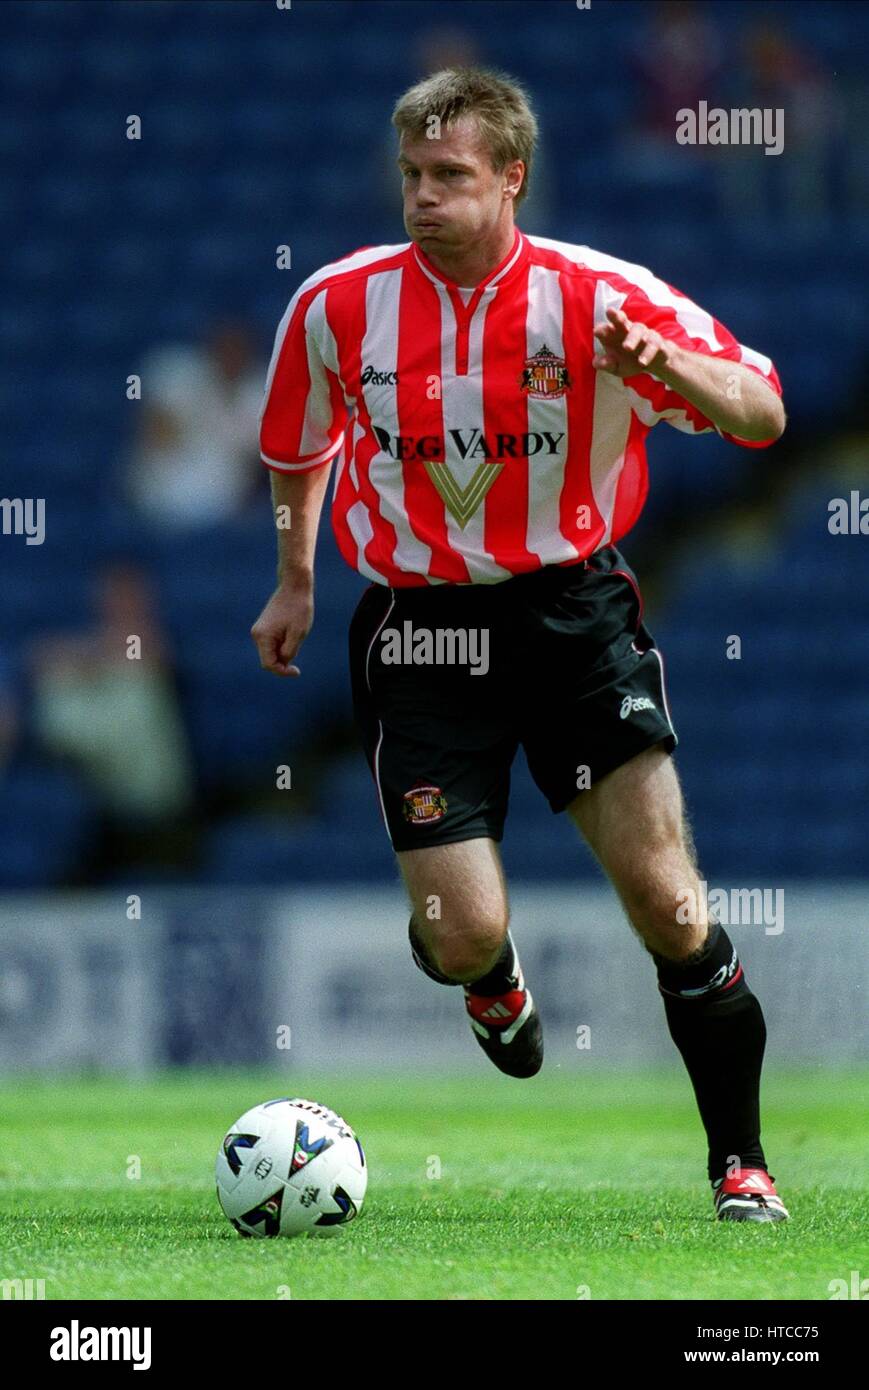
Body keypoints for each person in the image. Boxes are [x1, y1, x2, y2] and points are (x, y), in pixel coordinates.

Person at [251, 67, 788, 1224]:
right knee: (462, 929)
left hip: (569, 617)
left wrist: (663, 370)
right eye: (409, 176)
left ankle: (739, 1163)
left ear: (511, 179)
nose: (422, 199)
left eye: (449, 177)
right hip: (418, 625)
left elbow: (759, 412)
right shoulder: (336, 308)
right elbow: (296, 446)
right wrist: (294, 578)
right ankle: (484, 978)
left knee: (668, 904)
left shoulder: (599, 297)